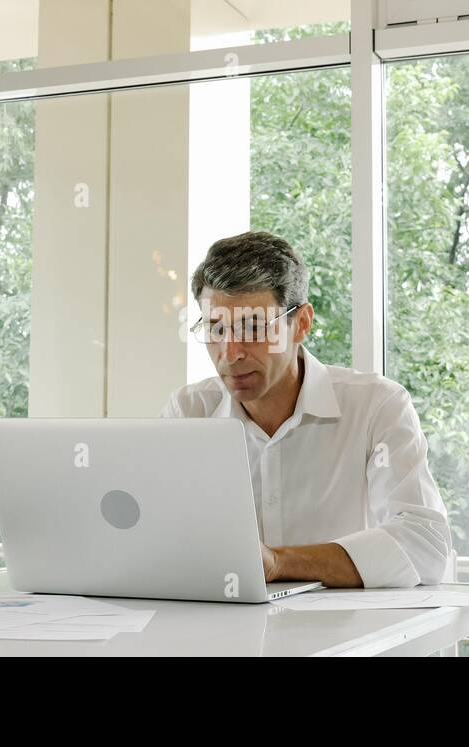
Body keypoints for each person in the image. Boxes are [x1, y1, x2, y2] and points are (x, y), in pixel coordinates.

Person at [161, 231, 452, 588]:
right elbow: (156, 535)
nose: (231, 352)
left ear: (301, 323)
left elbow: (425, 547)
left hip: (348, 637)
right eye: (216, 328)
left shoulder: (376, 405)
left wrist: (279, 563)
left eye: (252, 328)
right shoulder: (188, 413)